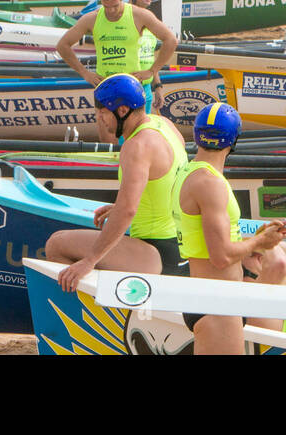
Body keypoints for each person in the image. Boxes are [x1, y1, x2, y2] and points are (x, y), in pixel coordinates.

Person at [171, 103, 286, 354]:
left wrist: (256, 237)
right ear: (234, 140)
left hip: (207, 295)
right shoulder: (211, 183)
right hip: (218, 302)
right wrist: (259, 243)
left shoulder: (187, 172)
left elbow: (204, 237)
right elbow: (220, 256)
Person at [47, 74, 190, 288]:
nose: (100, 119)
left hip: (155, 253)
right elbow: (171, 182)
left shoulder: (137, 145)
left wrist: (90, 260)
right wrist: (122, 206)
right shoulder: (165, 125)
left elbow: (128, 210)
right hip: (180, 247)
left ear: (122, 111)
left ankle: (92, 317)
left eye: (103, 112)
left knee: (56, 244)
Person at [56, 0, 177, 114]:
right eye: (106, 7)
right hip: (105, 87)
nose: (111, 11)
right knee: (107, 135)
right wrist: (85, 73)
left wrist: (152, 72)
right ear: (101, 0)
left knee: (135, 134)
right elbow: (62, 45)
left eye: (115, 6)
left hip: (133, 87)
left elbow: (171, 41)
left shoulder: (140, 15)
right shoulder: (92, 18)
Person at [126, 0, 167, 111]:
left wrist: (158, 87)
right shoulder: (122, 17)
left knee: (142, 132)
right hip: (127, 88)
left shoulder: (150, 20)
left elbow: (149, 56)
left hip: (146, 89)